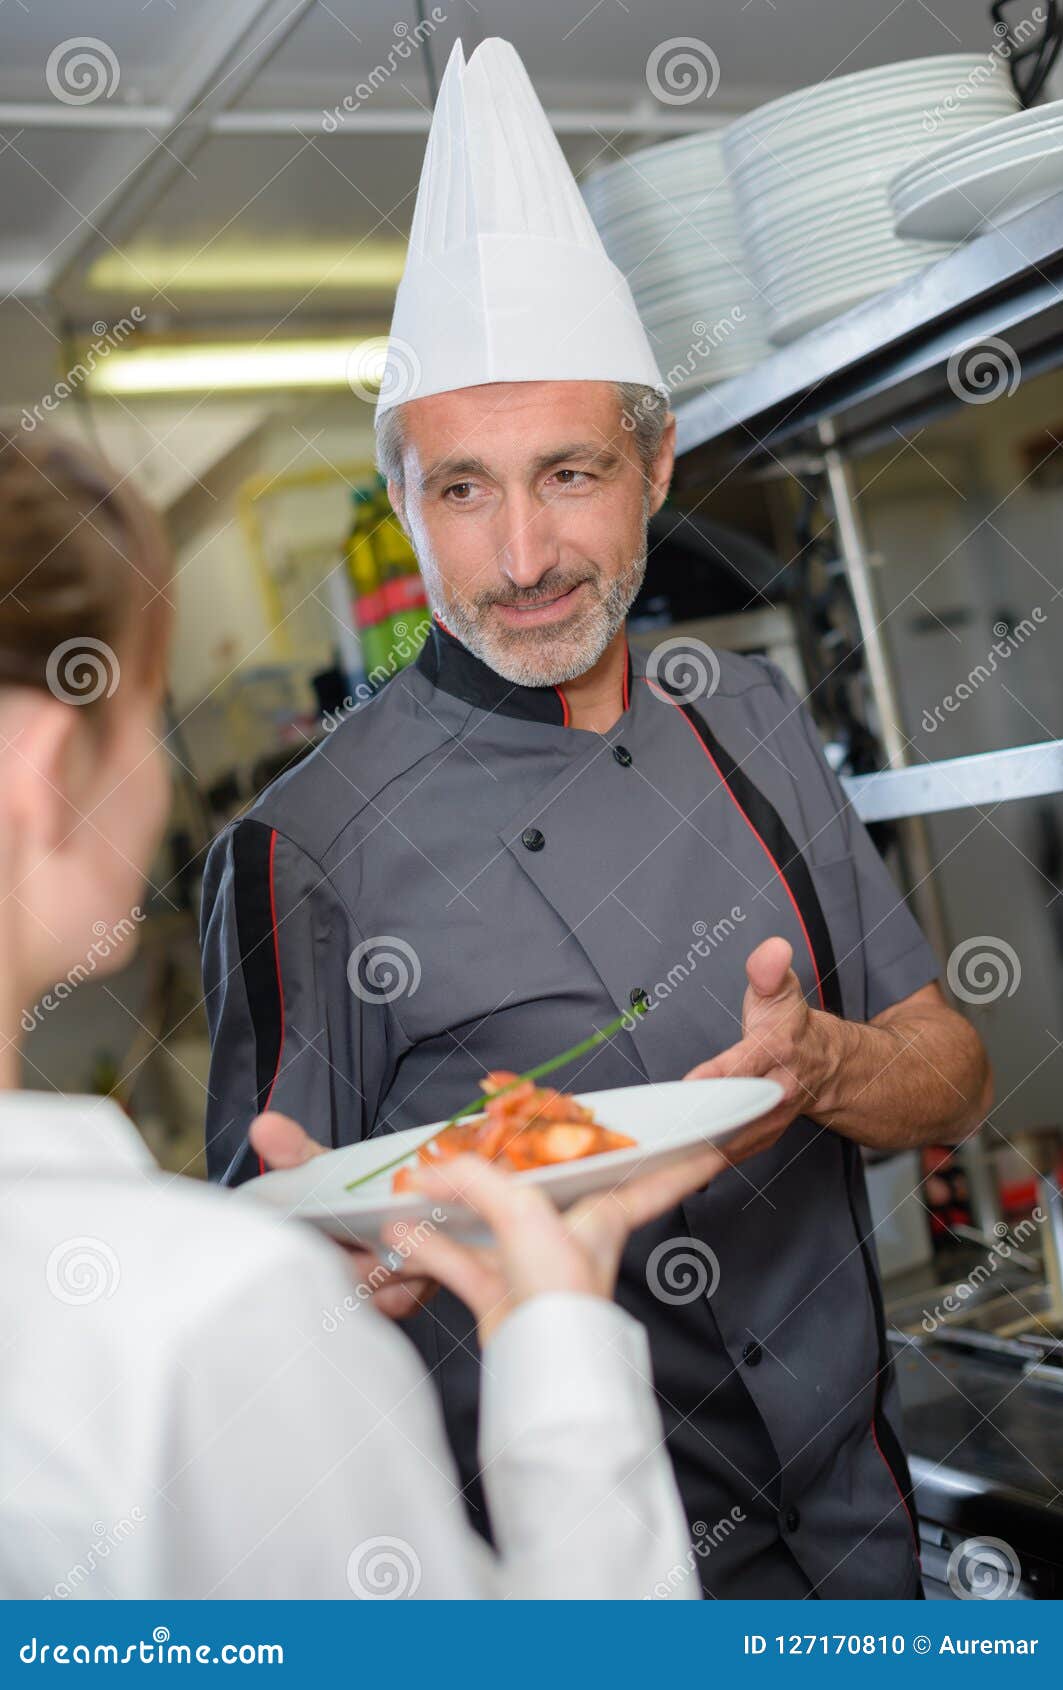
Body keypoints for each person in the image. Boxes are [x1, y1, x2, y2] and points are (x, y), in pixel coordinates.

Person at [202, 39, 992, 1600]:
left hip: (863, 1552)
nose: (521, 557)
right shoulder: (308, 844)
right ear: (408, 504)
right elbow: (262, 1282)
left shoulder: (752, 720)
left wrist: (825, 1062)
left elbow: (951, 1074)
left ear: (657, 463)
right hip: (582, 1583)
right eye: (462, 492)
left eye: (569, 472)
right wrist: (323, 1281)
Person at [0, 427, 731, 1600]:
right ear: (46, 773)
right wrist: (556, 1331)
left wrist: (303, 1335)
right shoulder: (201, 1315)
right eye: (148, 708)